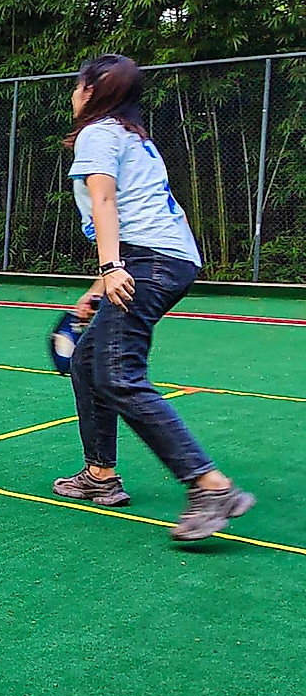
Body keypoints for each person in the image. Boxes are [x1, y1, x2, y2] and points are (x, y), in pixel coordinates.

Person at [52, 55, 254, 542]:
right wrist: (100, 285)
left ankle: (211, 487)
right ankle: (100, 475)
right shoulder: (132, 136)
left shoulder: (97, 134)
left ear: (92, 91)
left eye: (78, 85)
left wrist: (110, 268)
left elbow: (106, 201)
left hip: (149, 261)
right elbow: (137, 211)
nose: (74, 93)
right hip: (166, 259)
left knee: (117, 374)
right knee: (87, 362)